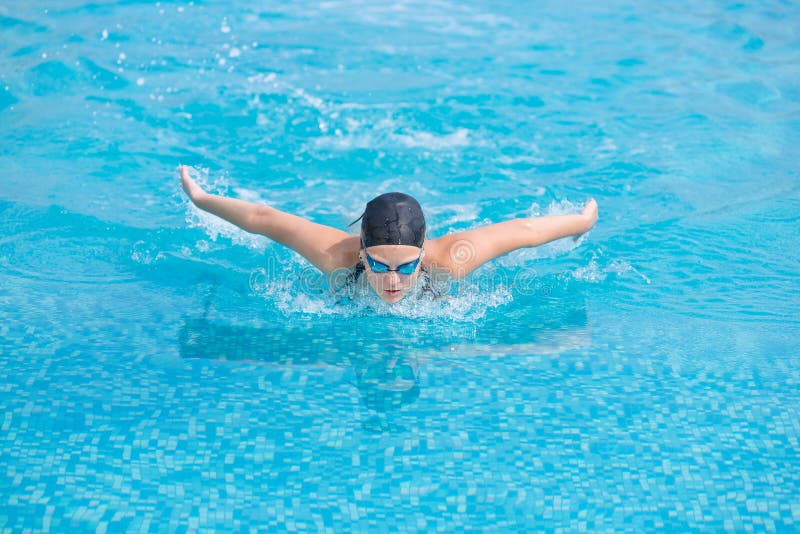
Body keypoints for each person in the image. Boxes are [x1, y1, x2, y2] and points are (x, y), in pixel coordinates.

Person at [179, 166, 598, 303]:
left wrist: (581, 223)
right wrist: (201, 199)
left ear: (422, 253)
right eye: (379, 265)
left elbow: (525, 231)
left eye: (406, 266)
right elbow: (263, 218)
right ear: (362, 251)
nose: (393, 280)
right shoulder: (335, 255)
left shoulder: (450, 260)